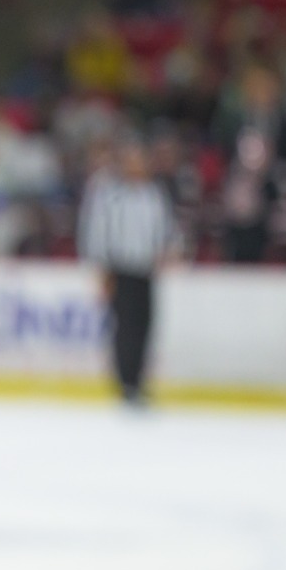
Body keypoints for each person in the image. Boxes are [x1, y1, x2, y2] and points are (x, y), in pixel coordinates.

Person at [79, 136, 174, 405]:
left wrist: (167, 251)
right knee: (124, 328)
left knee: (145, 326)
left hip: (146, 270)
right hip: (119, 268)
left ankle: (139, 380)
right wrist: (102, 268)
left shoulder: (154, 194)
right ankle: (125, 382)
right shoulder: (111, 194)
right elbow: (97, 230)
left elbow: (165, 229)